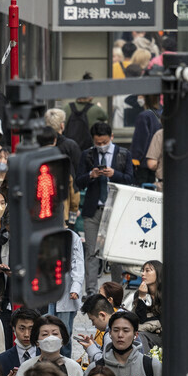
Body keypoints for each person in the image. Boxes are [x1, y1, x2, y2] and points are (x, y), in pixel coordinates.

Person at [77, 121, 134, 294]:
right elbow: (78, 182)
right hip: (93, 210)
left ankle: (116, 290)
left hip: (116, 210)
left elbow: (131, 179)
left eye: (104, 143)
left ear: (112, 138)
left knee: (115, 253)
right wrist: (91, 175)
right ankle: (91, 291)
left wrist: (114, 174)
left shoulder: (123, 154)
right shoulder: (87, 155)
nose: (101, 146)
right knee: (91, 252)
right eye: (98, 143)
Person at [85, 310, 161, 376]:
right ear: (110, 333)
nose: (120, 335)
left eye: (126, 331)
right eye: (116, 330)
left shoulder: (152, 366)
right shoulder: (95, 368)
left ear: (135, 335)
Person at [19, 314, 85, 376]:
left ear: (62, 339)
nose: (50, 338)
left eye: (55, 334)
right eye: (45, 334)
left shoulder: (74, 368)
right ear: (37, 341)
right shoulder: (26, 367)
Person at [0, 307, 40, 376]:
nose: (26, 334)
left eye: (31, 329)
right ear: (13, 329)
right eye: (22, 329)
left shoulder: (48, 359)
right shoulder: (0, 361)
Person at [133, 259, 163, 348]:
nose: (143, 274)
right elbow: (140, 319)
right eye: (143, 271)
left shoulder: (167, 294)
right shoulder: (139, 293)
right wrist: (142, 297)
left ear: (158, 273)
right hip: (146, 333)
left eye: (147, 271)